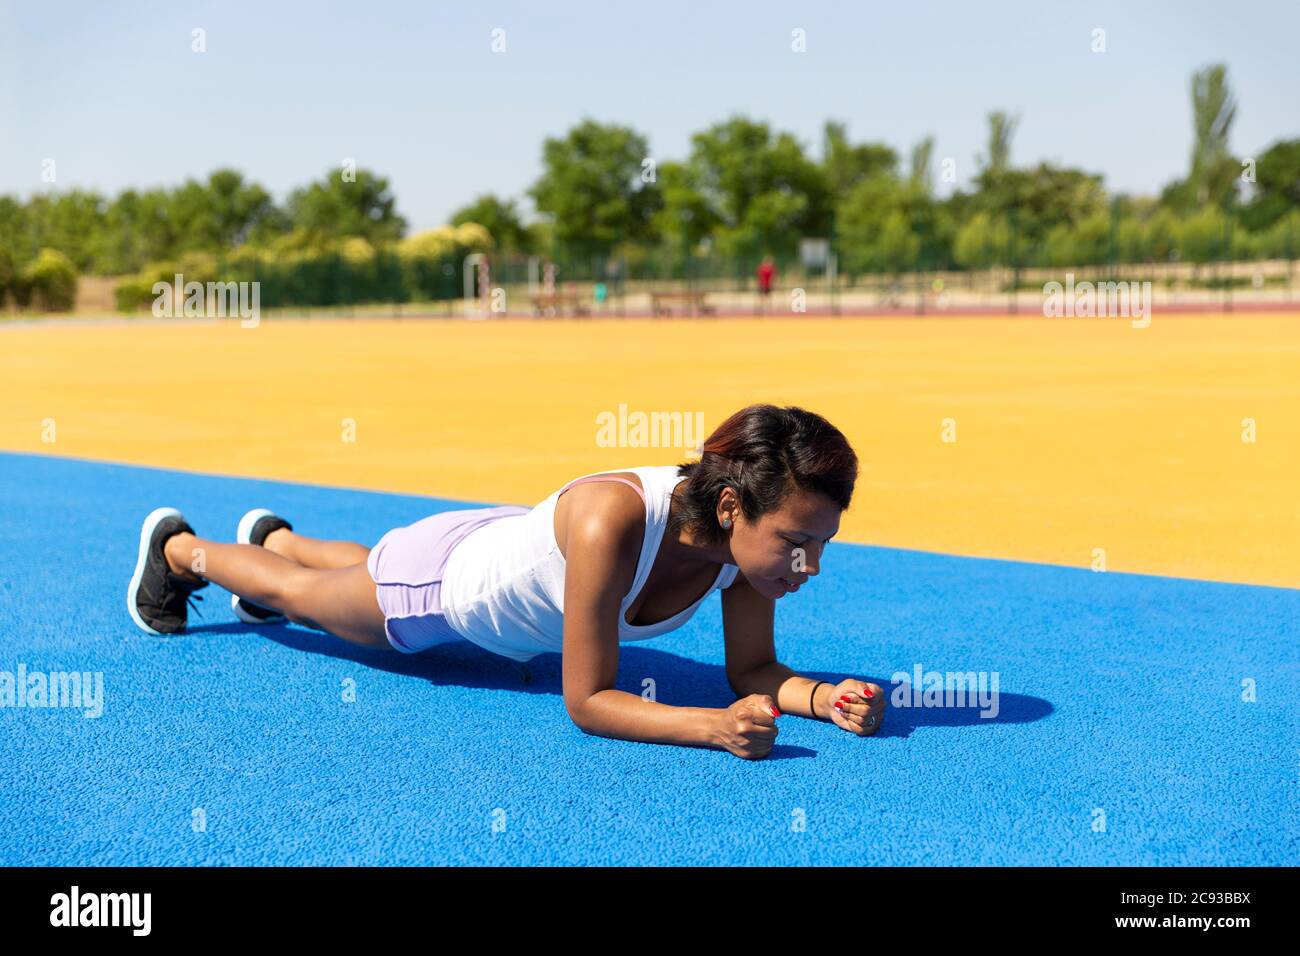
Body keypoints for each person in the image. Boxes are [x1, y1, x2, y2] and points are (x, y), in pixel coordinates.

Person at [125, 403, 884, 759]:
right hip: (442, 590)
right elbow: (588, 702)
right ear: (730, 506)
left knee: (363, 569)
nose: (807, 566)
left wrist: (823, 698)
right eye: (796, 542)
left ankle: (279, 537)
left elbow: (752, 670)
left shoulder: (745, 553)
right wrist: (709, 726)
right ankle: (184, 550)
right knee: (302, 602)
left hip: (490, 538)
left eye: (821, 546)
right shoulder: (611, 522)